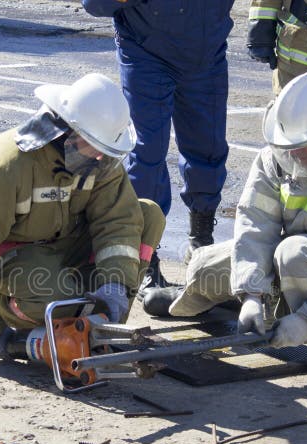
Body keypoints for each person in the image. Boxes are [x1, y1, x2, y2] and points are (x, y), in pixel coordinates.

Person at [142, 70, 307, 381]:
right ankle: (205, 301)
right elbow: (255, 224)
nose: (291, 152)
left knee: (293, 255)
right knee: (206, 266)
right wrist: (250, 296)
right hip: (292, 243)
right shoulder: (281, 155)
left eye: (301, 144)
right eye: (287, 143)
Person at [0, 73, 165, 359]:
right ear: (65, 133)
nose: (101, 159)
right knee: (50, 293)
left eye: (106, 151)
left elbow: (119, 221)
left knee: (147, 214)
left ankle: (97, 325)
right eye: (95, 148)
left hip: (66, 251)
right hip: (21, 263)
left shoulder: (97, 160)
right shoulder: (4, 166)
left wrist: (114, 285)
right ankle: (29, 316)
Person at [81, 0, 235, 296]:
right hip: (146, 53)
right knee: (147, 153)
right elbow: (94, 4)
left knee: (208, 147)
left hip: (205, 53)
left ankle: (201, 239)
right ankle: (145, 258)